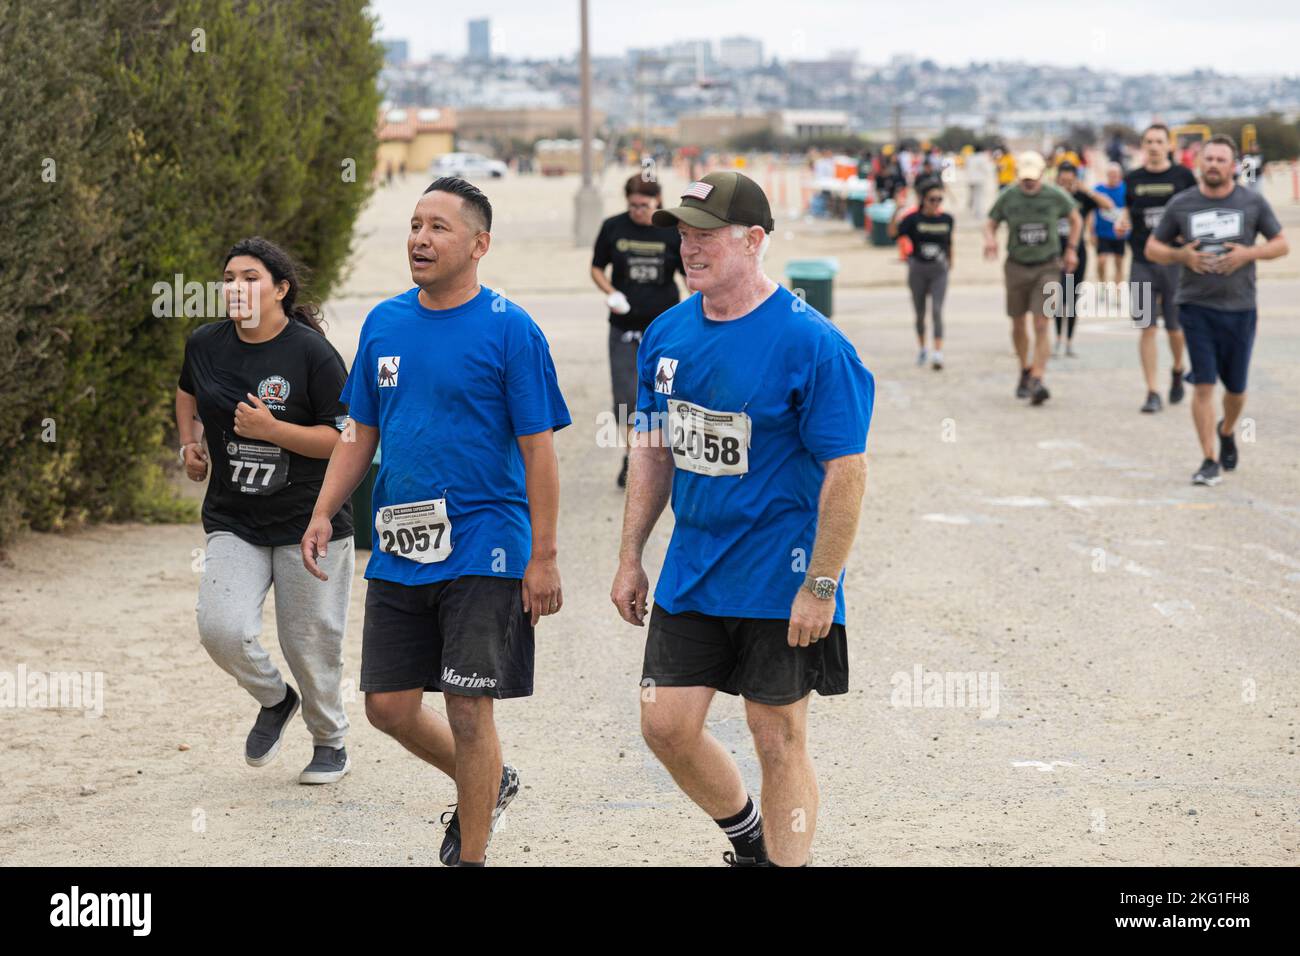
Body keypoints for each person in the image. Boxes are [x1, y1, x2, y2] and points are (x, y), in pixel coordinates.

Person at [301, 177, 571, 866]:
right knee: (387, 707)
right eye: (415, 225)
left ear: (479, 244)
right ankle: (489, 783)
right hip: (401, 543)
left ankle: (472, 854)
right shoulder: (385, 323)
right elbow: (359, 432)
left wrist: (544, 556)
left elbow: (540, 449)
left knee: (467, 707)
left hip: (488, 547)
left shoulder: (511, 328)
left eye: (439, 227)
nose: (420, 238)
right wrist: (323, 510)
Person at [610, 171, 874, 867]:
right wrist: (630, 553)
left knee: (777, 736)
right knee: (665, 724)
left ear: (754, 240)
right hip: (693, 570)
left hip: (778, 577)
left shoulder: (812, 344)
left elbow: (846, 472)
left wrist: (820, 584)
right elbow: (652, 447)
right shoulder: (666, 334)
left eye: (704, 235)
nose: (687, 248)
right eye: (682, 235)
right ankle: (749, 840)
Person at [176, 237, 355, 785]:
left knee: (310, 641)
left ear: (280, 289)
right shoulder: (205, 343)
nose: (235, 288)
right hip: (236, 518)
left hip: (311, 519)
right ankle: (276, 700)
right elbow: (187, 392)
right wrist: (190, 443)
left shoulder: (311, 353)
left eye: (250, 278)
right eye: (228, 278)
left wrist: (273, 431)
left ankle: (330, 741)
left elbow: (346, 440)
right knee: (220, 627)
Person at [1145, 135, 1289, 486]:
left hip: (1240, 306)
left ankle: (1227, 430)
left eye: (1220, 160)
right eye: (1208, 159)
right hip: (1195, 306)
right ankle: (1208, 459)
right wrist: (1182, 256)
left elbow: (1281, 244)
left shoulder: (1252, 202)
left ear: (1233, 166)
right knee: (1205, 386)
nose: (1213, 165)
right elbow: (1152, 248)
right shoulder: (1182, 204)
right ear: (1199, 163)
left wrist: (1246, 254)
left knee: (1236, 390)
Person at [590, 174, 685, 487]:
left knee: (663, 396)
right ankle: (635, 458)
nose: (638, 211)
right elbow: (596, 267)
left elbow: (689, 277)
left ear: (658, 200)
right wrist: (610, 293)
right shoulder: (613, 227)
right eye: (632, 205)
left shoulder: (672, 231)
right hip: (624, 330)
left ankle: (662, 457)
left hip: (663, 333)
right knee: (626, 397)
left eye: (644, 205)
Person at [983, 151, 1081, 405]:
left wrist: (1071, 248)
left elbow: (1075, 218)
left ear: (1041, 175)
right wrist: (990, 239)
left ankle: (1038, 377)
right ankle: (1024, 369)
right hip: (1016, 266)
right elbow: (990, 221)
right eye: (1024, 179)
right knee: (1017, 323)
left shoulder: (1054, 195)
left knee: (1041, 322)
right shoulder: (1009, 197)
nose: (1028, 183)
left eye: (1033, 179)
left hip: (1047, 266)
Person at [1116, 124, 1197, 414]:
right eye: (1148, 141)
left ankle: (1178, 369)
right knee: (1146, 327)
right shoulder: (1133, 178)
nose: (1153, 146)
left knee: (1175, 328)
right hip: (1141, 261)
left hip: (1174, 262)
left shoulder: (1183, 176)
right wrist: (1122, 222)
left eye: (1158, 141)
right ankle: (1152, 391)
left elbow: (1195, 211)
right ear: (1142, 145)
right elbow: (1128, 211)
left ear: (1168, 145)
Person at [890, 180, 954, 369]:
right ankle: (922, 348)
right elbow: (893, 234)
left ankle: (938, 352)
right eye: (932, 199)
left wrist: (951, 262)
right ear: (923, 200)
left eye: (939, 199)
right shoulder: (913, 220)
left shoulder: (947, 219)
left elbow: (950, 242)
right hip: (918, 268)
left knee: (936, 310)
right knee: (920, 313)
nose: (936, 203)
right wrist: (896, 211)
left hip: (939, 269)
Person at [1053, 161, 1115, 356]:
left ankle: (1069, 341)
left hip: (1078, 253)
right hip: (1055, 253)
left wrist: (1085, 190)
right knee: (1055, 298)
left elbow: (1108, 206)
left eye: (1069, 181)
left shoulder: (1082, 196)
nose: (1066, 186)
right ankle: (1057, 339)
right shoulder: (1052, 196)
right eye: (1062, 181)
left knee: (1072, 298)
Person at [1093, 162, 1128, 286]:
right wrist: (1090, 231)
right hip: (1103, 232)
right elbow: (1091, 212)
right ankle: (1102, 284)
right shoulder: (1099, 190)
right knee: (1101, 261)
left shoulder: (1125, 189)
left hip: (1119, 234)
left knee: (1119, 263)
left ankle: (1117, 289)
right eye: (1111, 175)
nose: (1113, 177)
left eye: (1116, 175)